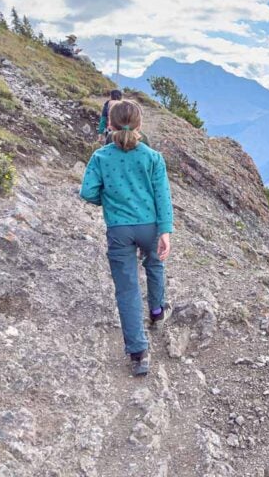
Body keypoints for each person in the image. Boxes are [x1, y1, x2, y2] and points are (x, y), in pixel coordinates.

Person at [80, 99, 174, 376]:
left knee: (127, 289)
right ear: (139, 125)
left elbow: (87, 192)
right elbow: (162, 197)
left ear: (109, 124)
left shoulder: (101, 157)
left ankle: (138, 354)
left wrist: (108, 201)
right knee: (155, 264)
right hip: (150, 225)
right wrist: (165, 231)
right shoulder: (153, 157)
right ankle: (157, 310)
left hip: (119, 229)